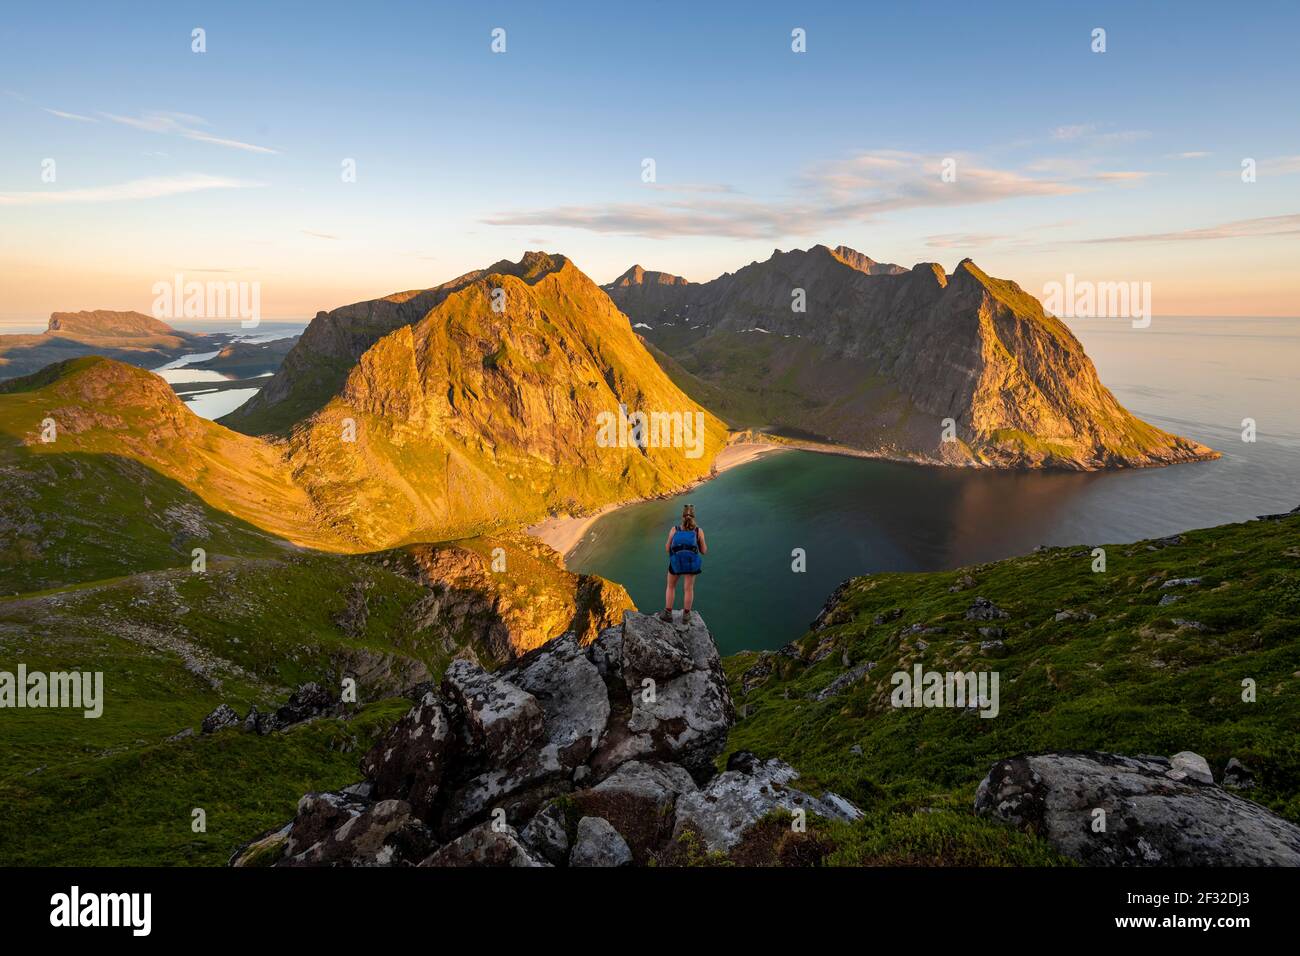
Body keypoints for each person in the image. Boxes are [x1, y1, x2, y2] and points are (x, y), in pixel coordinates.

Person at [661, 503, 706, 625]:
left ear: (682, 516)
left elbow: (667, 548)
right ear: (694, 517)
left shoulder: (674, 529)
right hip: (691, 565)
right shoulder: (698, 531)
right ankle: (686, 616)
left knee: (671, 586)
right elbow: (704, 551)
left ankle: (668, 613)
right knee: (688, 589)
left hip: (676, 564)